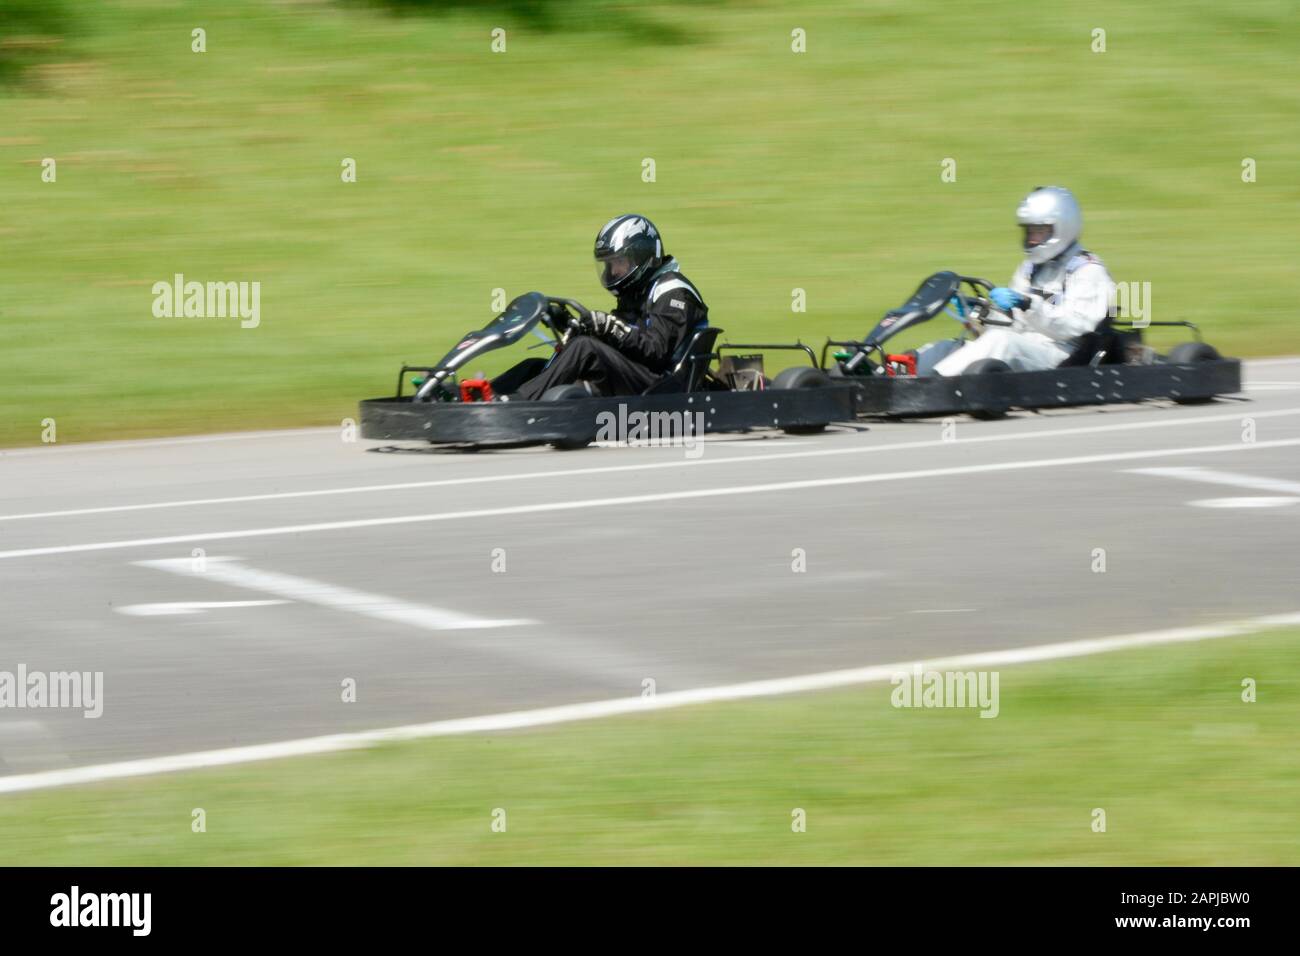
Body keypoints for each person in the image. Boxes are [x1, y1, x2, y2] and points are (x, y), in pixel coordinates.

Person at [515, 214, 708, 399]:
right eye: (609, 264)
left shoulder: (674, 292)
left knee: (585, 348)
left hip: (664, 387)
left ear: (642, 256)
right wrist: (569, 324)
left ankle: (520, 404)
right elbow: (620, 341)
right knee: (534, 366)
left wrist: (610, 326)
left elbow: (655, 351)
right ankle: (494, 395)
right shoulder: (638, 292)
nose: (613, 271)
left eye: (619, 262)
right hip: (641, 375)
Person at [933, 186, 1115, 376]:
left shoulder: (1088, 270)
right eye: (1029, 232)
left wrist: (1029, 305)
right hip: (1025, 344)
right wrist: (981, 314)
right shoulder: (1031, 268)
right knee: (950, 347)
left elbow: (1075, 327)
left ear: (1062, 227)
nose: (1032, 239)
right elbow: (1014, 324)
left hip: (1061, 355)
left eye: (1039, 231)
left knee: (1001, 341)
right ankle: (906, 374)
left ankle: (934, 385)